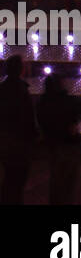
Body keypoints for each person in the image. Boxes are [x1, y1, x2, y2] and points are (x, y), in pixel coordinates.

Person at [36, 74, 81, 204]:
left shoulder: (42, 103)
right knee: (69, 183)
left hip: (53, 145)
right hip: (69, 144)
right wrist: (74, 121)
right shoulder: (68, 100)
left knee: (56, 181)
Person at [0, 54, 37, 205]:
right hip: (18, 141)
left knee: (8, 176)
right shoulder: (21, 90)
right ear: (20, 69)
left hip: (4, 138)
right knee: (17, 178)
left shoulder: (2, 88)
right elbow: (27, 117)